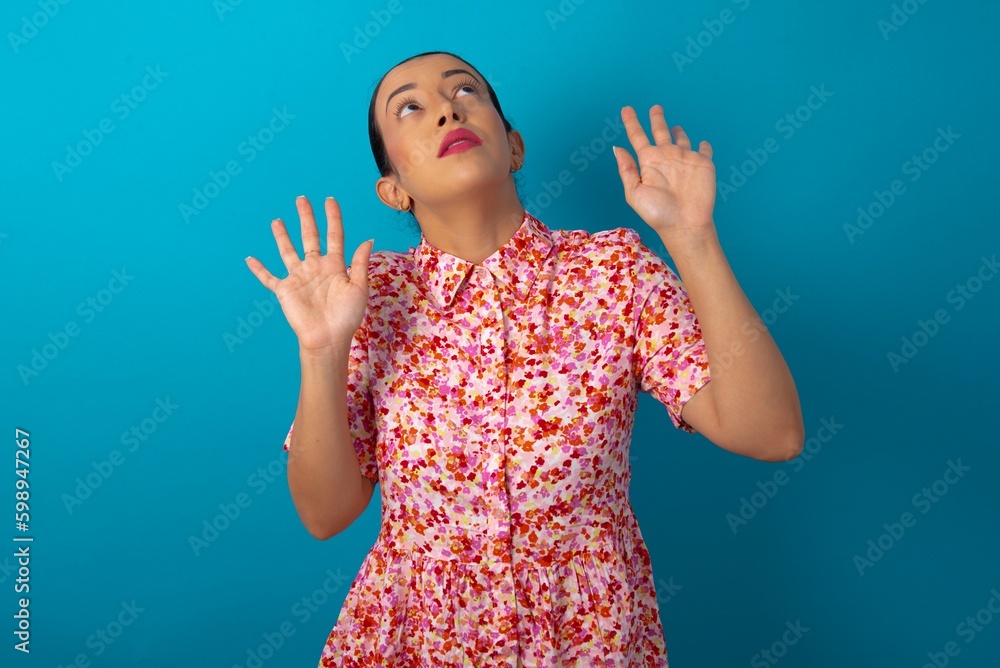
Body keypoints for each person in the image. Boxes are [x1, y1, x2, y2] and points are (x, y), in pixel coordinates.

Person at [245, 50, 803, 668]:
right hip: (416, 643)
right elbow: (325, 515)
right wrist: (321, 351)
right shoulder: (367, 297)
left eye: (466, 91)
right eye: (410, 107)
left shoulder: (613, 271)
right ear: (393, 189)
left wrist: (693, 238)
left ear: (514, 147)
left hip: (589, 640)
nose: (446, 109)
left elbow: (771, 434)